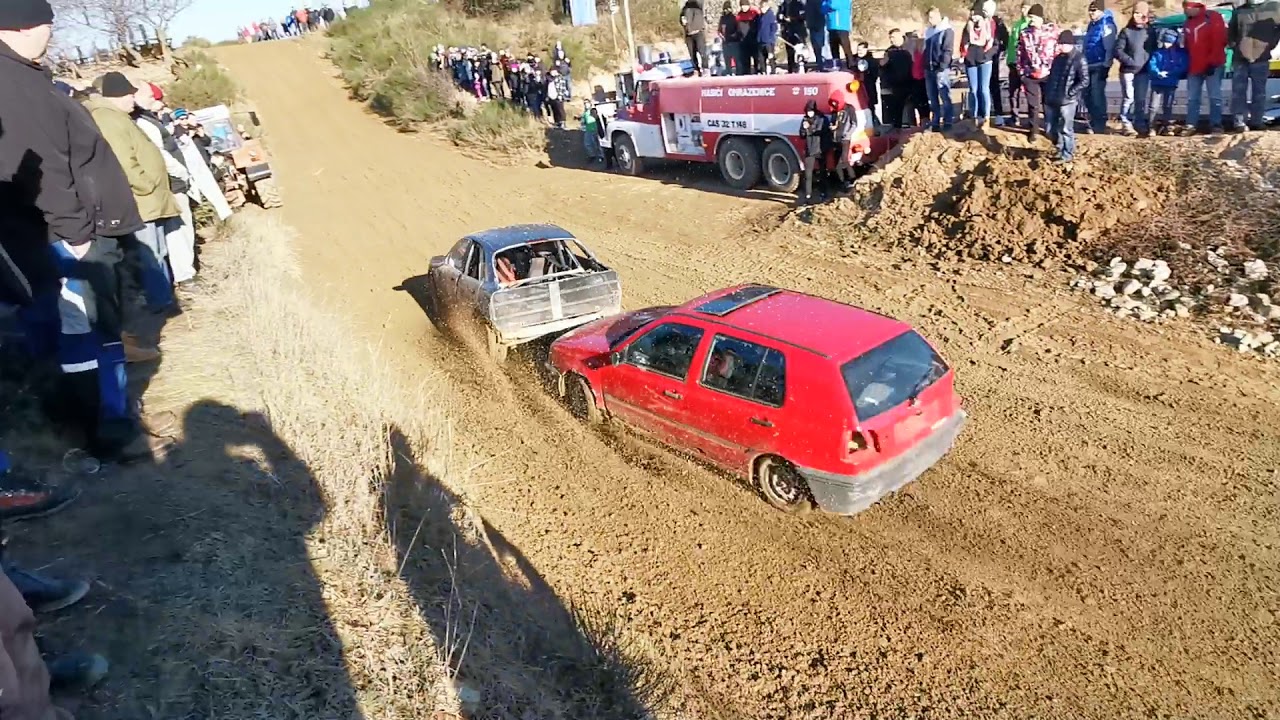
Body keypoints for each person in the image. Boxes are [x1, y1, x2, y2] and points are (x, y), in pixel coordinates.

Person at [0, 1, 158, 462]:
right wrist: (76, 232)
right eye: (48, 23)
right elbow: (41, 166)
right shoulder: (13, 83)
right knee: (89, 333)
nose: (52, 31)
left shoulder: (22, 76)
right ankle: (110, 430)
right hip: (67, 236)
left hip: (61, 232)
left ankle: (100, 419)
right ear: (24, 25)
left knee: (86, 331)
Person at [84, 73, 181, 318]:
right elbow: (124, 160)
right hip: (141, 199)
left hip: (149, 199)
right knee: (149, 254)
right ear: (115, 96)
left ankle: (163, 297)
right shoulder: (107, 119)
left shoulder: (117, 116)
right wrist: (146, 185)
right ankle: (159, 302)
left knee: (157, 251)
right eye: (129, 94)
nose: (133, 99)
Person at [131, 84, 198, 289]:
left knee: (177, 231)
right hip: (170, 183)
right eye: (152, 97)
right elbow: (159, 153)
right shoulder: (142, 122)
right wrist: (181, 172)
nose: (158, 102)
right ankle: (185, 276)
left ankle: (182, 273)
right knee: (179, 230)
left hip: (169, 182)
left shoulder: (146, 119)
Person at [1227, 0, 1280, 132]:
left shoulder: (1273, 9)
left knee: (1259, 93)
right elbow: (1231, 33)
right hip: (1240, 59)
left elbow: (1278, 30)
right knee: (1238, 92)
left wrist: (1270, 45)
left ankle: (1257, 121)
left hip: (1261, 57)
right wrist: (1236, 47)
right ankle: (1239, 122)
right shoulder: (1239, 11)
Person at [1180, 0, 1228, 135]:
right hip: (1194, 66)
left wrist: (1212, 62)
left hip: (1213, 65)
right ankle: (1191, 124)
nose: (1185, 10)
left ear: (1195, 6)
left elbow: (1219, 41)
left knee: (1214, 96)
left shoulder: (1212, 18)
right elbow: (1187, 46)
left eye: (1187, 7)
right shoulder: (1187, 23)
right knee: (1192, 97)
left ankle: (1216, 124)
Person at [1044, 29, 1088, 163]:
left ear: (1070, 44)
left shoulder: (1079, 59)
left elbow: (1084, 80)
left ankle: (1067, 154)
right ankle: (1060, 148)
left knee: (1066, 128)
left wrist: (1070, 92)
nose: (1060, 46)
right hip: (1053, 98)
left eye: (1062, 44)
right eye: (1059, 43)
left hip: (1067, 100)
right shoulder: (1058, 59)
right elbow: (1052, 77)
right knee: (1050, 128)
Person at [1017, 3, 1058, 138]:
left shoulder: (1052, 32)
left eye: (1033, 17)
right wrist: (1021, 73)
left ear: (1040, 17)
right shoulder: (1024, 33)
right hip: (1030, 73)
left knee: (1048, 103)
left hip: (1048, 73)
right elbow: (1020, 53)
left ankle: (1050, 129)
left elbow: (1058, 52)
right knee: (1033, 105)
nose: (1031, 20)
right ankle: (1033, 130)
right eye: (1029, 17)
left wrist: (1057, 71)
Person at [1113, 1, 1153, 136]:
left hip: (1143, 70)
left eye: (1140, 13)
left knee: (1140, 99)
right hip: (1128, 70)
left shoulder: (1149, 31)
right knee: (1128, 97)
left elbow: (1152, 48)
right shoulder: (1126, 31)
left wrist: (1146, 61)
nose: (1137, 16)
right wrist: (1130, 61)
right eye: (1135, 13)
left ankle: (1139, 122)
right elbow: (1118, 50)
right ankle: (1126, 123)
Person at [1082, 0, 1117, 133]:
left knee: (1097, 95)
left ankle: (1099, 123)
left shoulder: (1107, 25)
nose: (1091, 13)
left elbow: (1109, 47)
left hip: (1100, 64)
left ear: (1101, 11)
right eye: (1090, 10)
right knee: (1087, 94)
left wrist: (1107, 64)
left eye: (1094, 10)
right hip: (1088, 64)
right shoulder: (1092, 25)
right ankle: (1092, 120)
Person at [961, 0, 997, 127]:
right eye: (972, 14)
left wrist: (987, 55)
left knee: (984, 89)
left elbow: (994, 44)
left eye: (976, 14)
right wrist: (964, 56)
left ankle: (986, 116)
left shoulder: (990, 25)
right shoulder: (968, 26)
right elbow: (963, 43)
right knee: (973, 89)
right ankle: (974, 116)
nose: (973, 17)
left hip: (985, 60)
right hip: (971, 61)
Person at [1147, 27, 1188, 134]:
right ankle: (1151, 127)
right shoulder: (1157, 53)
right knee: (1153, 106)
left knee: (1168, 106)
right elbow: (1152, 64)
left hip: (1171, 82)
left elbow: (1182, 66)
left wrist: (1169, 73)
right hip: (1157, 82)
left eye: (1169, 42)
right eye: (1165, 41)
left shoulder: (1180, 54)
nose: (1166, 44)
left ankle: (1166, 127)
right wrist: (1157, 73)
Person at [923, 7, 955, 131]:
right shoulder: (929, 32)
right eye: (928, 18)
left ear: (938, 16)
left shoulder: (946, 30)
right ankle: (935, 121)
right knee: (932, 97)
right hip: (929, 68)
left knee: (944, 95)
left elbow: (948, 50)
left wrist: (943, 65)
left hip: (940, 68)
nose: (930, 20)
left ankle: (948, 121)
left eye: (931, 17)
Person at [797, 99, 828, 205]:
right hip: (809, 150)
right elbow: (801, 135)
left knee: (823, 172)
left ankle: (824, 192)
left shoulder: (821, 119)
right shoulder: (805, 119)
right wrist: (803, 129)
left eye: (810, 111)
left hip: (820, 149)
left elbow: (820, 131)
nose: (809, 113)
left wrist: (809, 128)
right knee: (808, 174)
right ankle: (808, 195)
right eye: (807, 111)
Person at [1005, 2, 1032, 126]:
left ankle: (1031, 119)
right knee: (1013, 91)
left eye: (1026, 8)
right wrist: (1009, 59)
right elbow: (1011, 43)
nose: (1023, 11)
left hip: (1026, 64)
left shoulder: (1031, 25)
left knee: (1029, 92)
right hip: (1013, 62)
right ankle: (1014, 116)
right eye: (1022, 8)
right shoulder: (1016, 25)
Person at [881, 29, 914, 128]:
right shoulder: (890, 51)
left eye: (893, 37)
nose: (892, 40)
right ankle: (897, 128)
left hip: (912, 81)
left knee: (914, 106)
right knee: (897, 108)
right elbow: (883, 66)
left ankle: (915, 127)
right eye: (890, 38)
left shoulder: (910, 47)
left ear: (900, 36)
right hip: (896, 83)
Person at [907, 32, 932, 127]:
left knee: (924, 100)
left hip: (923, 78)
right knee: (916, 101)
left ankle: (926, 120)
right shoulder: (912, 50)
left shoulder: (925, 49)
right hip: (914, 78)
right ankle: (920, 121)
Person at [681, 0, 709, 76]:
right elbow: (681, 19)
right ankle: (696, 69)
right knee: (692, 54)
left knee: (702, 52)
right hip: (689, 34)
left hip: (698, 32)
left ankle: (705, 68)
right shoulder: (685, 9)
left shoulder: (698, 6)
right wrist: (684, 23)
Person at [855, 41, 880, 123]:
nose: (860, 51)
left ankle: (872, 121)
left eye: (862, 49)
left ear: (866, 49)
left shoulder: (872, 61)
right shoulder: (854, 60)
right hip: (856, 86)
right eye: (858, 49)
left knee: (870, 105)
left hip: (868, 86)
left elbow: (875, 74)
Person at [824, 0, 853, 69]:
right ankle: (836, 64)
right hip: (831, 27)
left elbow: (833, 5)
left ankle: (851, 64)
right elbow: (823, 9)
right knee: (834, 47)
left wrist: (827, 4)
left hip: (842, 27)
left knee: (846, 47)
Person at [735, 0, 761, 75]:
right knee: (745, 60)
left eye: (745, 5)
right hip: (743, 41)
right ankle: (746, 73)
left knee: (756, 58)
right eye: (742, 6)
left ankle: (758, 71)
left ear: (748, 5)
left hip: (753, 40)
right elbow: (737, 28)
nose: (744, 7)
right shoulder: (739, 16)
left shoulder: (754, 14)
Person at [779, 0, 806, 73]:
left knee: (800, 50)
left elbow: (803, 16)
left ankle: (801, 66)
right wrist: (781, 18)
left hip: (798, 30)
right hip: (787, 31)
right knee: (789, 51)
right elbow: (779, 17)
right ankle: (791, 67)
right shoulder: (783, 5)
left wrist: (792, 19)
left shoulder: (798, 4)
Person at [718, 2, 743, 75]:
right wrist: (721, 35)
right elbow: (719, 29)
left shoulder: (734, 18)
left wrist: (734, 35)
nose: (726, 10)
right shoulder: (722, 18)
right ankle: (728, 71)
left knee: (737, 59)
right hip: (725, 42)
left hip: (734, 41)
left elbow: (738, 29)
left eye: (728, 9)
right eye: (725, 9)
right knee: (727, 59)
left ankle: (739, 72)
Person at [804, 0, 828, 69]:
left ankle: (821, 62)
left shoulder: (811, 2)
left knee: (819, 44)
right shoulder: (809, 2)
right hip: (814, 24)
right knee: (817, 45)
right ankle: (820, 62)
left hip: (816, 24)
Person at [757, 0, 779, 73]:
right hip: (761, 40)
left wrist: (771, 38)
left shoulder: (770, 15)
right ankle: (763, 71)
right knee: (761, 58)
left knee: (770, 57)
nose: (761, 9)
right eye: (761, 7)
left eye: (763, 7)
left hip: (769, 41)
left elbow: (774, 28)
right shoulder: (760, 16)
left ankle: (773, 71)